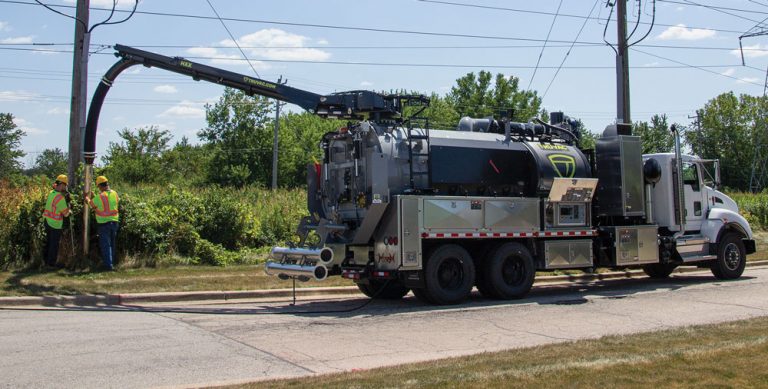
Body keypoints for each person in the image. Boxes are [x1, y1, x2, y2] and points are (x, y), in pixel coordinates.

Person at [86, 175, 119, 271]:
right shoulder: (115, 193)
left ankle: (107, 266)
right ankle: (111, 263)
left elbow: (91, 204)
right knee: (112, 244)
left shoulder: (100, 196)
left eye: (98, 187)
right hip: (114, 222)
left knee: (105, 245)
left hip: (104, 224)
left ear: (100, 186)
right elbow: (109, 203)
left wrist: (87, 198)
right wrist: (94, 198)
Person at [42, 174, 71, 269]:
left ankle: (45, 262)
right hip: (55, 224)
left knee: (48, 243)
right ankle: (51, 264)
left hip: (47, 221)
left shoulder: (52, 193)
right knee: (54, 245)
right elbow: (66, 213)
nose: (66, 187)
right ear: (62, 184)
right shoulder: (59, 198)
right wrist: (70, 209)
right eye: (65, 185)